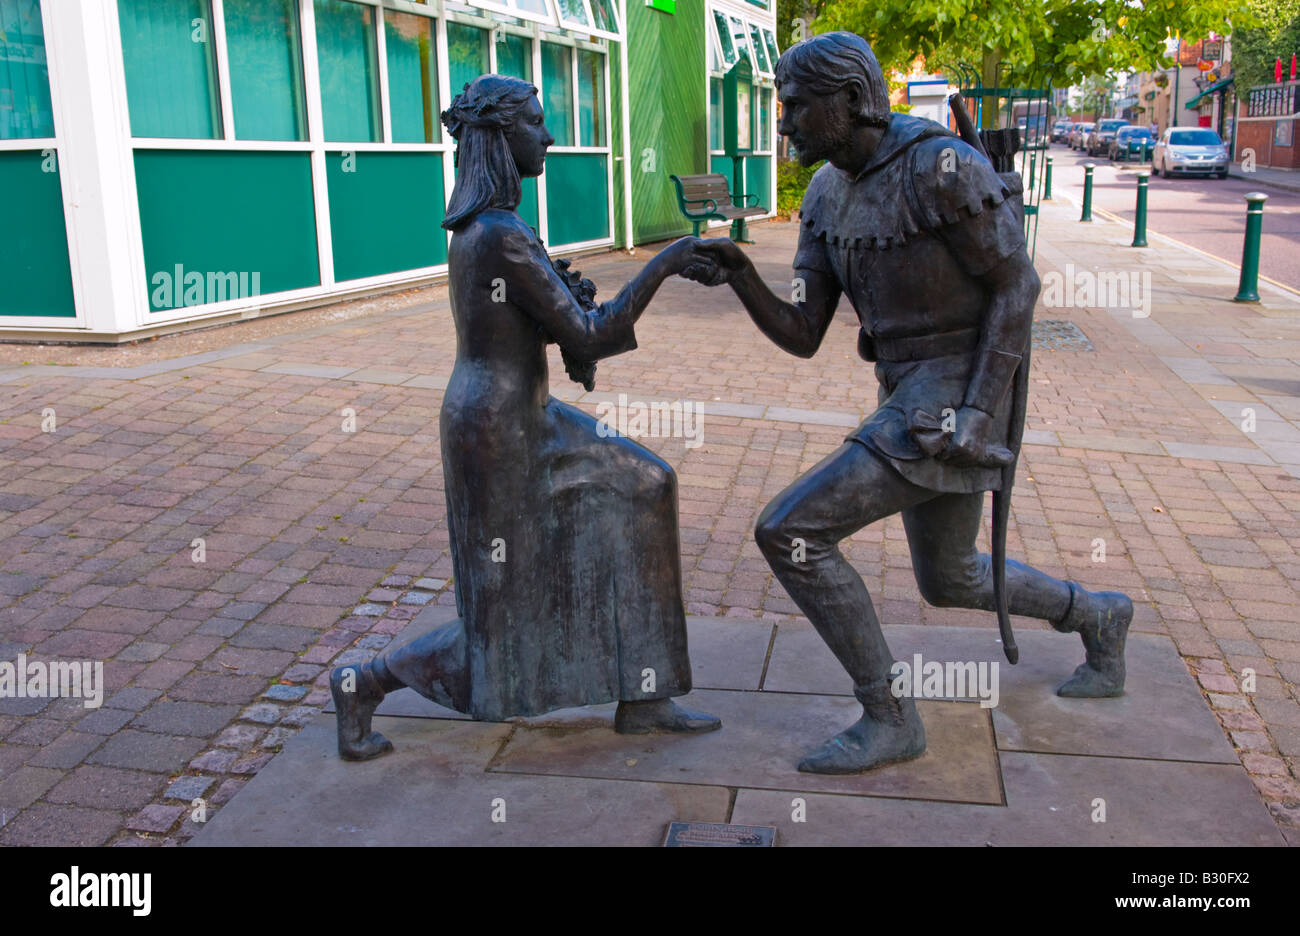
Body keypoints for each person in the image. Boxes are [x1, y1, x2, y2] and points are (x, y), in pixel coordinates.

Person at [693, 33, 1132, 775]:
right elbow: (804, 331)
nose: (785, 123)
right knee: (952, 576)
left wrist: (980, 412)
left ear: (853, 100)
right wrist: (740, 273)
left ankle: (890, 713)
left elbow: (1015, 286)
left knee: (791, 530)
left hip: (954, 390)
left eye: (797, 106)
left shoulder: (941, 166)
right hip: (904, 390)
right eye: (782, 107)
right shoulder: (826, 193)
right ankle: (1097, 614)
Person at [332, 75, 723, 759]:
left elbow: (537, 324)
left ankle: (647, 693)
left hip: (522, 414)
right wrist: (669, 262)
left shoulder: (496, 229)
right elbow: (591, 334)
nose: (548, 137)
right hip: (499, 431)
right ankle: (361, 684)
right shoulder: (498, 237)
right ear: (501, 136)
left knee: (646, 486)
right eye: (536, 125)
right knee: (499, 605)